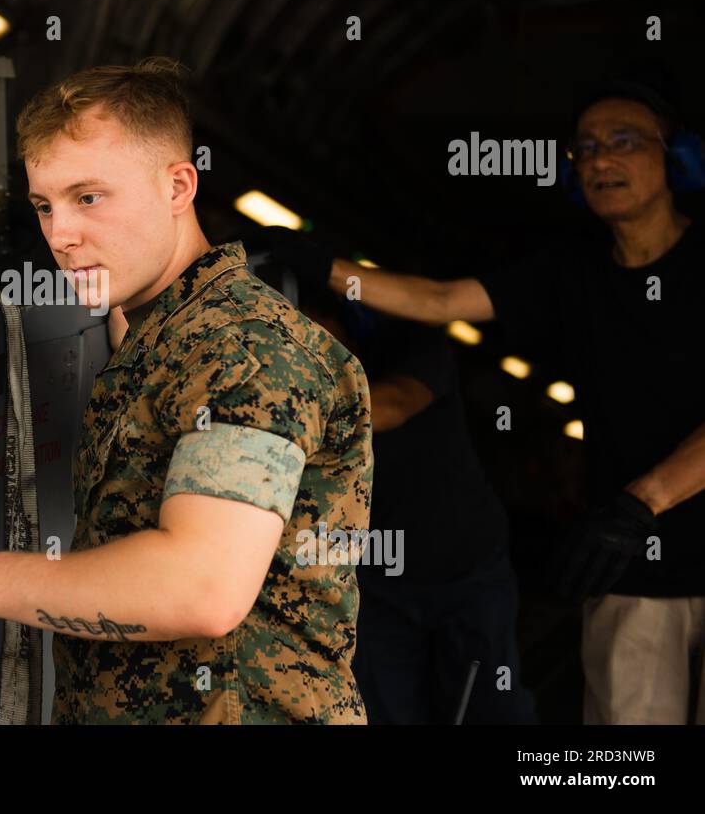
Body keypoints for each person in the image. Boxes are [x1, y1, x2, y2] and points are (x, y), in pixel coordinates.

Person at [0, 57, 374, 723]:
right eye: (46, 206)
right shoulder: (160, 328)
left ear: (178, 185)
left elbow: (203, 586)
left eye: (89, 198)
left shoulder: (244, 347)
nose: (61, 235)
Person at [263, 73, 705, 724]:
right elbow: (442, 300)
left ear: (676, 158)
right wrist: (326, 265)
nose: (601, 158)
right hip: (627, 571)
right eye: (585, 147)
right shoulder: (568, 271)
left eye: (624, 140)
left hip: (628, 529)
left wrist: (645, 502)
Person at [283, 284, 536, 724]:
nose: (306, 347)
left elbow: (393, 404)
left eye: (313, 329)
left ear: (344, 324)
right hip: (380, 581)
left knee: (491, 708)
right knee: (385, 711)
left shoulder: (414, 346)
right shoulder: (293, 397)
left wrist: (277, 415)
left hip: (466, 570)